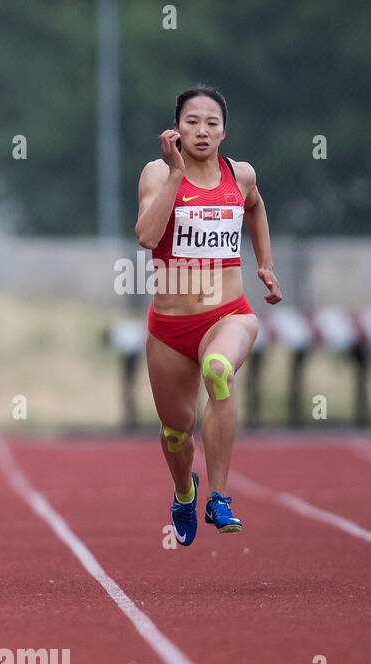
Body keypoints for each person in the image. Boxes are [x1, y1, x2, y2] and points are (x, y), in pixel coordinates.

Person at [135, 86, 282, 545]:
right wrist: (178, 176)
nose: (202, 131)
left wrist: (264, 263)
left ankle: (219, 496)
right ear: (176, 128)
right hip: (170, 328)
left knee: (219, 371)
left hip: (228, 314)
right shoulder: (157, 174)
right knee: (176, 433)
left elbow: (255, 208)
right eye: (192, 121)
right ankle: (185, 491)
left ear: (224, 131)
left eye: (211, 123)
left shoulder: (240, 175)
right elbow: (145, 236)